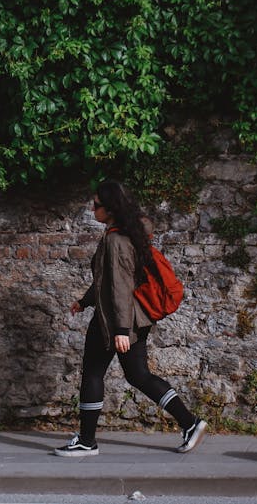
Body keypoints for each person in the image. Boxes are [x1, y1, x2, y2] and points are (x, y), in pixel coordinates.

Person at [54, 180, 207, 457]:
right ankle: (190, 423)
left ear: (110, 209)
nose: (93, 209)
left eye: (97, 205)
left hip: (116, 322)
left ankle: (87, 442)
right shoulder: (124, 234)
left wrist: (121, 330)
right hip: (127, 319)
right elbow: (107, 279)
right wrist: (85, 301)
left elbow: (120, 287)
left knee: (93, 374)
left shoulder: (116, 240)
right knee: (139, 376)